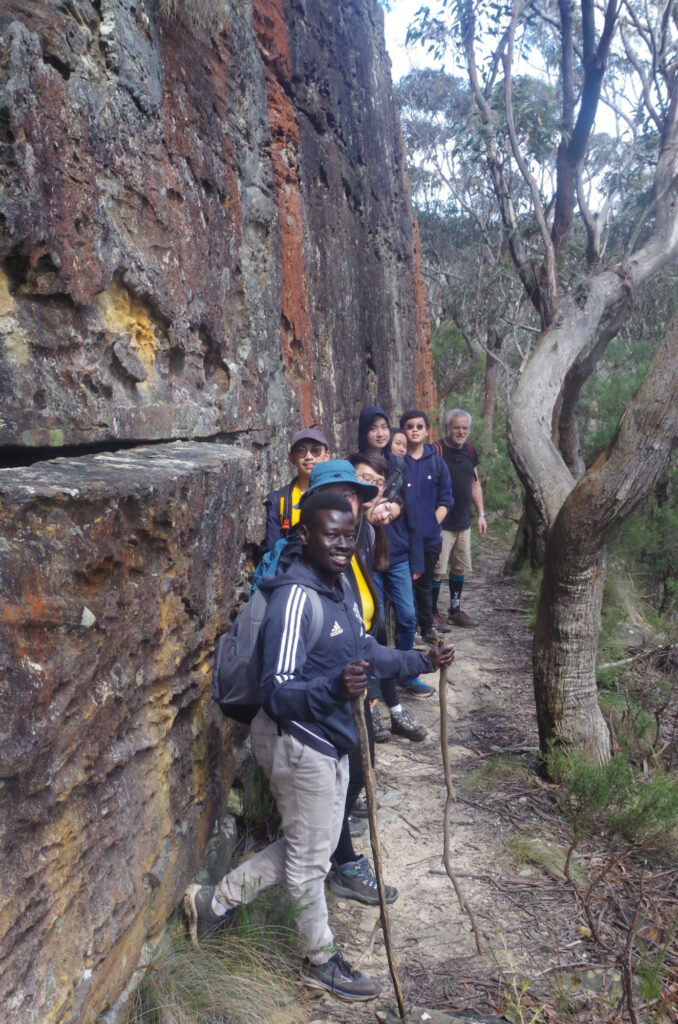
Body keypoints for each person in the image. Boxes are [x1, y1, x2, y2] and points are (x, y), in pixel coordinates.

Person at [184, 491, 453, 1001]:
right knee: (310, 861)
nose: (342, 544)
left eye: (349, 535)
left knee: (314, 847)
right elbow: (277, 691)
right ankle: (321, 959)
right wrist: (334, 688)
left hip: (330, 738)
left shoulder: (340, 587)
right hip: (296, 739)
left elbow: (365, 649)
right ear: (305, 535)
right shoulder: (295, 599)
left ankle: (211, 904)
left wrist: (421, 661)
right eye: (331, 535)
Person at [348, 450, 432, 740]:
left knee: (383, 640)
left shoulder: (368, 530)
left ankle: (394, 710)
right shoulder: (341, 525)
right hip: (349, 619)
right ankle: (374, 710)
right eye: (364, 478)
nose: (371, 486)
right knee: (372, 651)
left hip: (368, 615)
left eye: (378, 482)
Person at [399, 409, 454, 643]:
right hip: (402, 538)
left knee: (425, 584)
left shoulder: (437, 463)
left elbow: (446, 499)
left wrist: (431, 523)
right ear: (403, 430)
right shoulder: (397, 461)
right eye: (410, 426)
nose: (414, 430)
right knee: (405, 585)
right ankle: (408, 631)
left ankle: (427, 627)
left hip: (429, 538)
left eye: (419, 426)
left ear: (426, 431)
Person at [433, 409, 487, 627]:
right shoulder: (436, 451)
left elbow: (475, 484)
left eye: (465, 428)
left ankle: (454, 610)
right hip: (441, 523)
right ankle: (432, 612)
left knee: (459, 567)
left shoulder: (470, 450)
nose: (461, 432)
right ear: (448, 428)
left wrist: (481, 514)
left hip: (464, 522)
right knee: (437, 570)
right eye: (456, 427)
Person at [262, 427, 330, 552]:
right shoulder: (279, 499)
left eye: (315, 450)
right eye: (301, 451)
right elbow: (273, 548)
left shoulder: (336, 494)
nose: (308, 456)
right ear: (291, 458)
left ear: (327, 455)